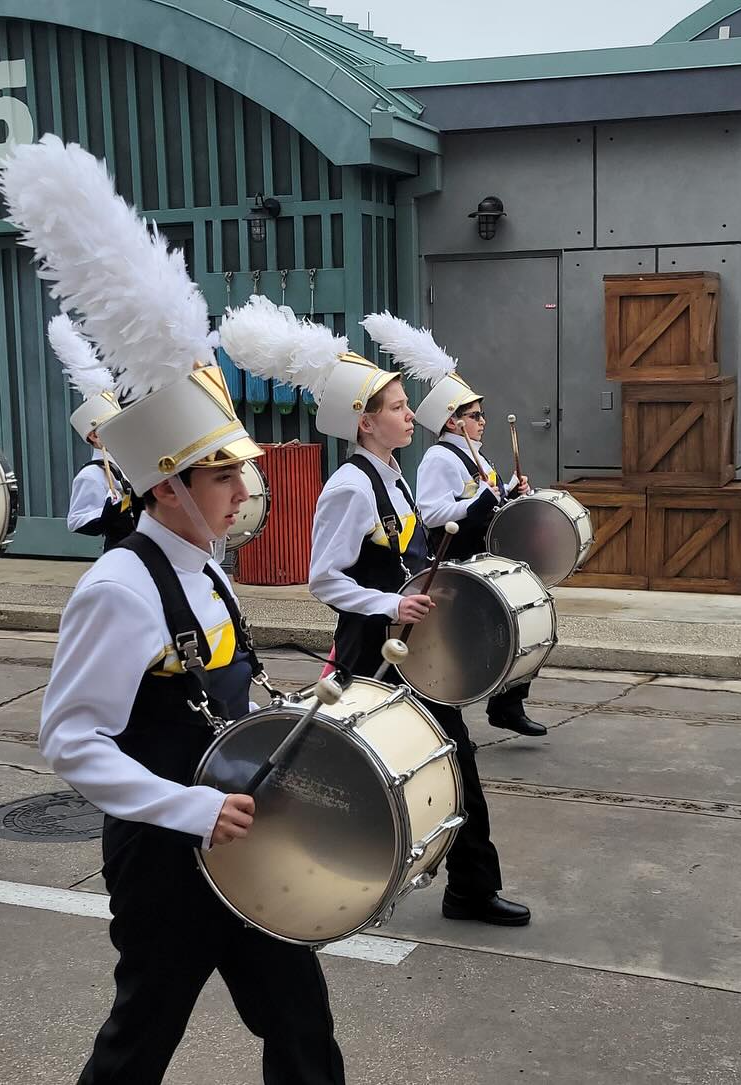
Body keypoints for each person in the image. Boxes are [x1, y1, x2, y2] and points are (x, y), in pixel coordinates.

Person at [4, 135, 346, 1084]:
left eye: (241, 471)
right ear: (164, 486)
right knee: (140, 1040)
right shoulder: (118, 585)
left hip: (241, 837)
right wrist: (187, 807)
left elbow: (216, 689)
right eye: (221, 474)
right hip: (166, 856)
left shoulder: (206, 564)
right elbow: (72, 739)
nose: (244, 490)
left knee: (302, 1026)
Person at [220, 295, 532, 927]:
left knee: (446, 758)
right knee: (348, 763)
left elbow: (406, 550)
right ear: (364, 422)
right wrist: (392, 601)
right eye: (395, 407)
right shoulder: (349, 486)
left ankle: (464, 884)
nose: (410, 414)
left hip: (411, 647)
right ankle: (308, 858)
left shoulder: (393, 473)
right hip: (376, 651)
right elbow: (323, 579)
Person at [361, 312, 546, 738]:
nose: (483, 421)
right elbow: (433, 513)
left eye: (482, 415)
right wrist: (478, 502)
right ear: (452, 421)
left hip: (485, 555)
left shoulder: (477, 455)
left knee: (521, 620)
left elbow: (487, 500)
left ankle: (506, 701)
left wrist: (510, 495)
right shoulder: (440, 458)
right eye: (475, 415)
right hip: (458, 559)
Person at [50, 313, 138, 550]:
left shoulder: (127, 464)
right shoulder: (90, 476)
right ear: (94, 436)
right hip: (119, 548)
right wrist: (105, 518)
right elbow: (76, 520)